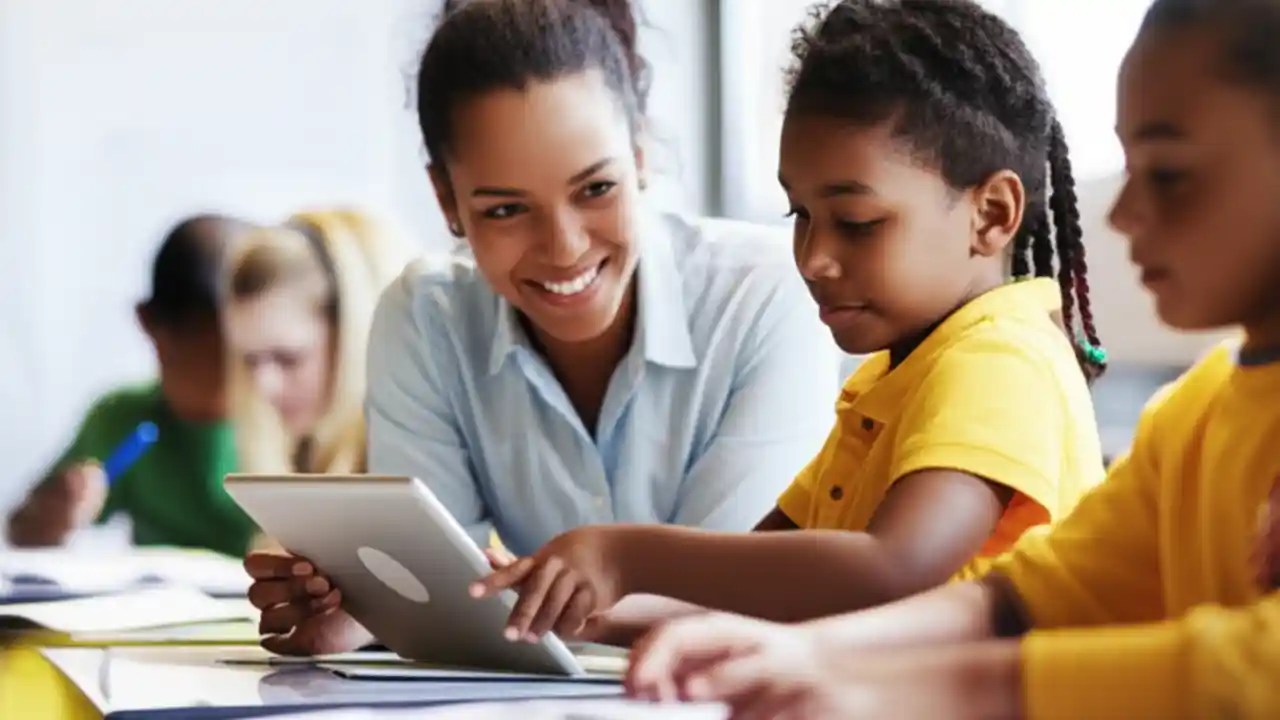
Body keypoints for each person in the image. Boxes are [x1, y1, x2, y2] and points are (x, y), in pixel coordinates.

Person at [624, 1, 1280, 718]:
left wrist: (881, 684)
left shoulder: (999, 355)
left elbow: (1252, 668)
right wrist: (803, 658)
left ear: (994, 214)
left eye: (1171, 173)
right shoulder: (1192, 410)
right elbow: (1022, 599)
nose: (1121, 214)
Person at [471, 0, 1109, 643]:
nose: (813, 259)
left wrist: (622, 554)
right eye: (799, 215)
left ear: (992, 215)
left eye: (857, 224)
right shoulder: (895, 378)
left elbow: (894, 568)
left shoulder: (1001, 358)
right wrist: (566, 619)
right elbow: (762, 598)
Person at [243, 0, 840, 656]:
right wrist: (361, 615)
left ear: (640, 154)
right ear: (446, 201)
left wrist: (474, 603)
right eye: (505, 209)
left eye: (595, 190)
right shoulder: (425, 319)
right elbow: (446, 586)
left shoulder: (762, 296)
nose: (563, 247)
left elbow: (738, 591)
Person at [6, 214, 257, 557]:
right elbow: (24, 530)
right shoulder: (123, 419)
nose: (257, 373)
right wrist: (48, 518)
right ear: (150, 324)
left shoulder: (306, 422)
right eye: (220, 350)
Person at [222, 208, 412, 475]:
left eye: (289, 359)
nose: (265, 386)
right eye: (250, 361)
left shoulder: (413, 462)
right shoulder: (303, 458)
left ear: (356, 336)